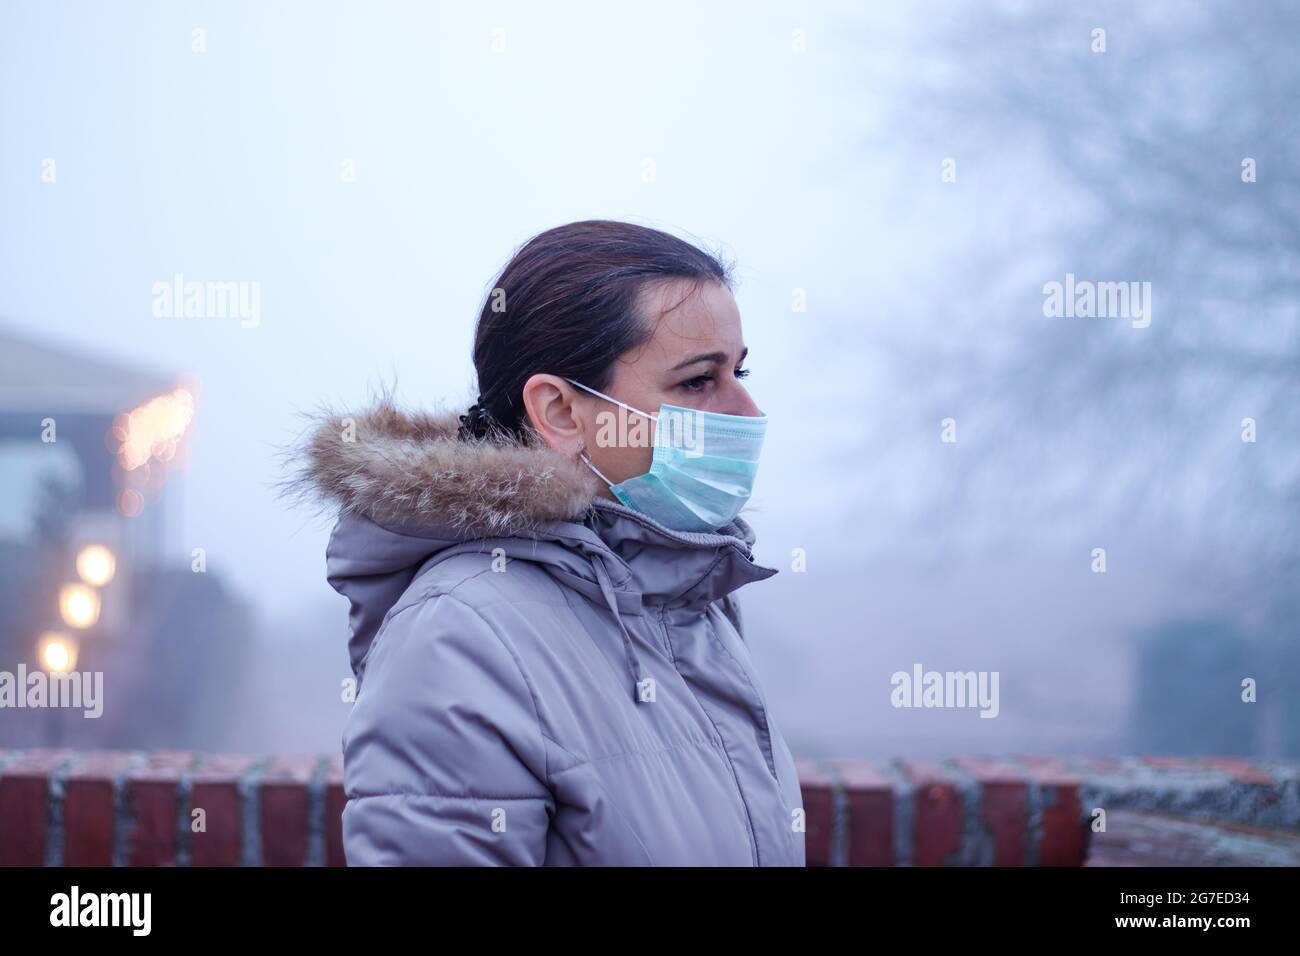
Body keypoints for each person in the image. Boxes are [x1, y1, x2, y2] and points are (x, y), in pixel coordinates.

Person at [292, 219, 805, 865]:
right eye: (698, 381)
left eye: (739, 370)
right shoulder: (460, 635)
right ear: (560, 411)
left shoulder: (688, 594)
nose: (748, 412)